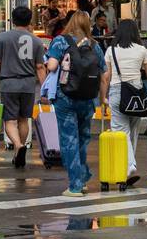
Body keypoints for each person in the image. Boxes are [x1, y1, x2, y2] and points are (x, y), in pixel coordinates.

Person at [43, 10, 104, 196]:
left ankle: (75, 185)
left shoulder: (61, 41)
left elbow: (52, 65)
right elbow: (104, 73)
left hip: (66, 97)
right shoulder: (95, 45)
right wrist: (102, 99)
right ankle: (83, 177)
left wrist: (48, 63)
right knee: (83, 139)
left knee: (69, 139)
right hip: (87, 99)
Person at [0, 6, 47, 168]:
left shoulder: (2, 38)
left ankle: (18, 145)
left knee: (9, 120)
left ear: (12, 19)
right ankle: (20, 147)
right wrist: (46, 89)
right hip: (28, 85)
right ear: (29, 21)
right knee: (23, 119)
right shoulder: (37, 41)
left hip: (8, 84)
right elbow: (40, 67)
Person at [100, 19, 147, 186]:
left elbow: (106, 77)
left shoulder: (111, 50)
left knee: (122, 132)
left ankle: (130, 165)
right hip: (137, 96)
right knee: (132, 133)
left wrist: (103, 98)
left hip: (118, 93)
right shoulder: (141, 50)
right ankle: (128, 167)